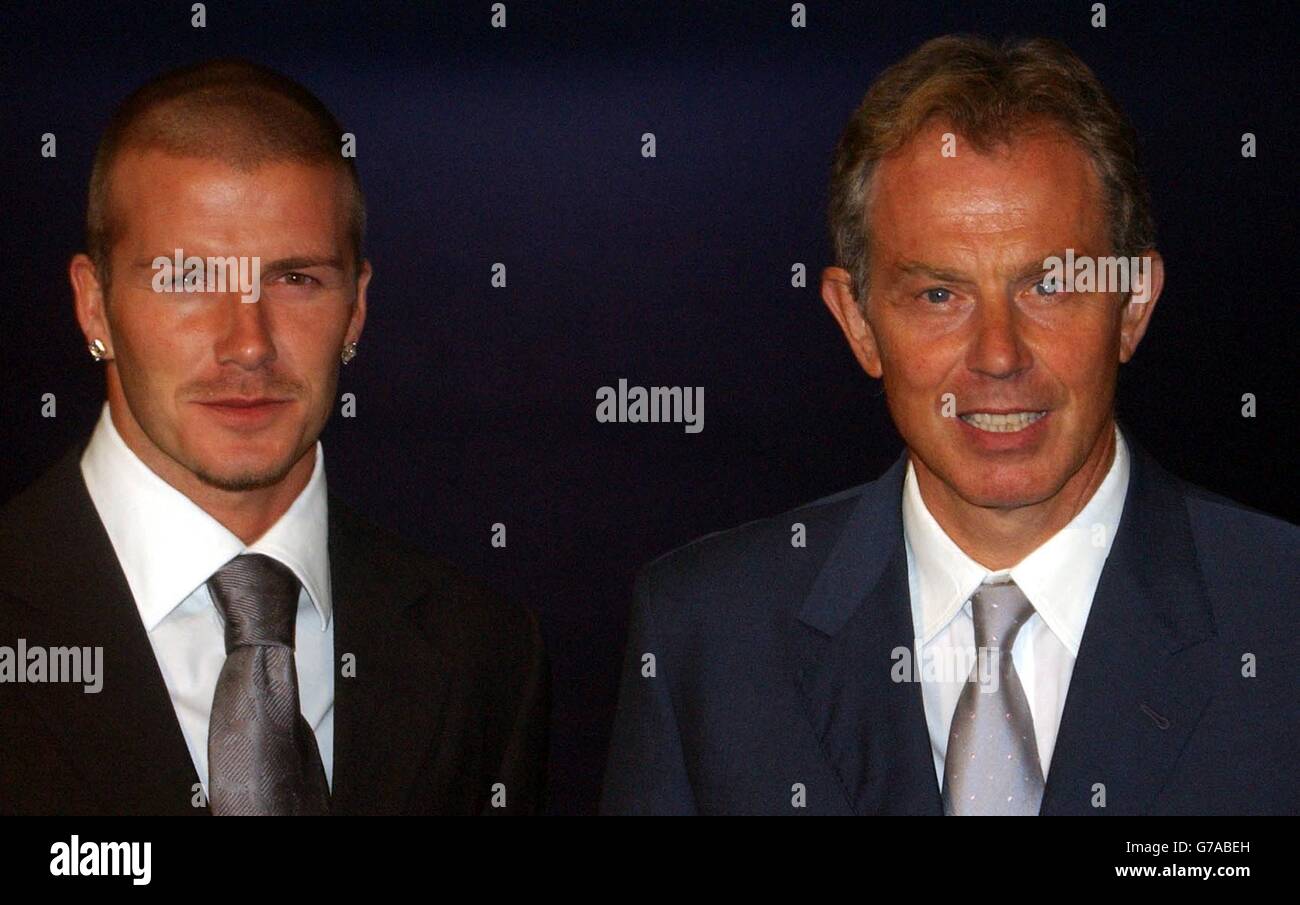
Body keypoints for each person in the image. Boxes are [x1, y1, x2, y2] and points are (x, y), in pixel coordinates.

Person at [601, 35, 1298, 816]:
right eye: (939, 295)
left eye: (1051, 285)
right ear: (858, 322)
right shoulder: (707, 636)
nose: (998, 355)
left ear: (1132, 305)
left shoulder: (1282, 617)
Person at [0, 59, 548, 815]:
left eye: (296, 279)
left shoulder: (485, 654)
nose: (248, 343)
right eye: (188, 278)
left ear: (355, 309)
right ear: (95, 307)